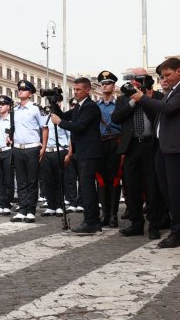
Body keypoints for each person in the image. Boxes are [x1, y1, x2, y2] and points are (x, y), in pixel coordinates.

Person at [131, 57, 180, 248]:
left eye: (168, 75)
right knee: (166, 190)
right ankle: (178, 227)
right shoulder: (171, 92)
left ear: (179, 72)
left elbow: (167, 109)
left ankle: (178, 231)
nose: (164, 79)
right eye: (161, 76)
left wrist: (142, 98)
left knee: (175, 190)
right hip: (161, 146)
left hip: (175, 148)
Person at [113, 68, 166, 239]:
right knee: (131, 185)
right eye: (135, 79)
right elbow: (116, 118)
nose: (137, 82)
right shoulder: (122, 99)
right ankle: (136, 223)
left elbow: (160, 115)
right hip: (132, 146)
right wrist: (133, 101)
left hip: (151, 145)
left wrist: (143, 99)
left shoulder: (157, 97)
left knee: (153, 186)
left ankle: (155, 225)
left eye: (141, 79)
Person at [51, 77, 103, 234]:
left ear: (88, 90)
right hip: (82, 152)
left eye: (78, 89)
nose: (75, 92)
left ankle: (91, 221)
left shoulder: (90, 107)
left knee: (87, 187)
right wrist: (53, 103)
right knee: (85, 186)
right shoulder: (79, 107)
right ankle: (92, 220)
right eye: (74, 89)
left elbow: (79, 127)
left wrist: (59, 122)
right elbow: (64, 115)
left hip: (89, 152)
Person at [11, 80, 48, 223]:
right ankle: (22, 209)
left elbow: (44, 128)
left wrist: (43, 146)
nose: (20, 91)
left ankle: (31, 211)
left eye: (24, 89)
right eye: (19, 89)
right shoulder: (15, 109)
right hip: (18, 148)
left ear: (30, 93)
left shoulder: (35, 109)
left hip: (32, 147)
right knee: (20, 181)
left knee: (32, 181)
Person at [96, 71, 122, 227]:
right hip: (99, 143)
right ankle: (104, 214)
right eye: (103, 83)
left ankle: (113, 214)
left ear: (113, 86)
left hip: (114, 142)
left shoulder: (119, 105)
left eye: (108, 83)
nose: (105, 85)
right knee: (101, 179)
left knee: (114, 179)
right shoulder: (95, 106)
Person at [41, 108, 71, 217]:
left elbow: (70, 137)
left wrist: (69, 153)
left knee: (59, 179)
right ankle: (51, 206)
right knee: (48, 180)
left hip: (61, 150)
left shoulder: (62, 119)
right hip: (48, 151)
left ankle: (59, 205)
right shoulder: (44, 119)